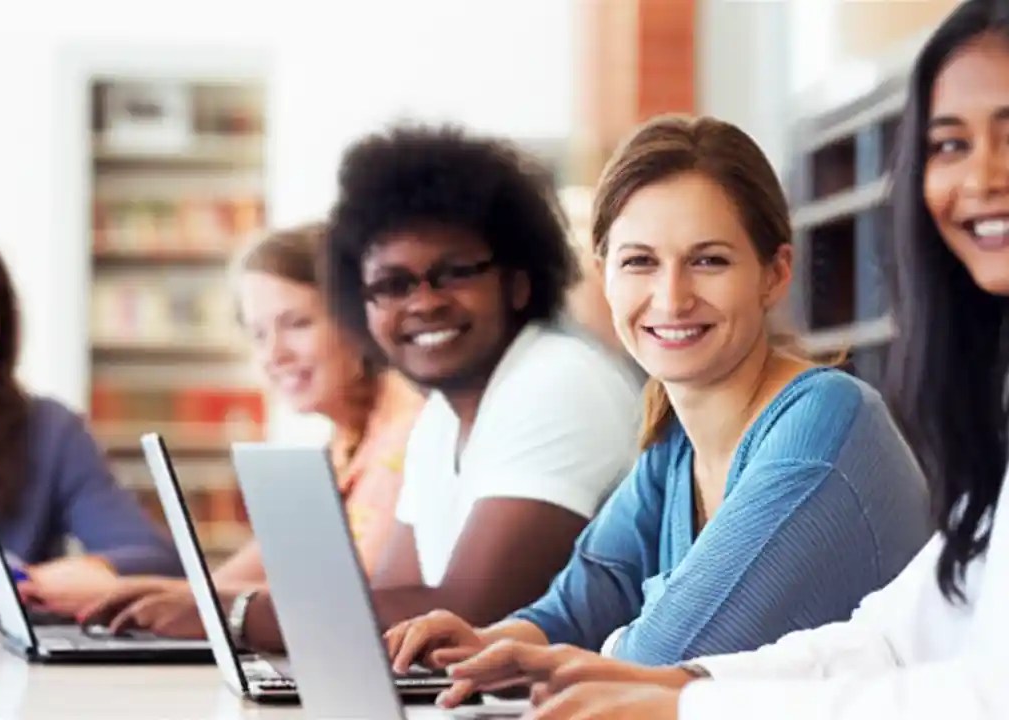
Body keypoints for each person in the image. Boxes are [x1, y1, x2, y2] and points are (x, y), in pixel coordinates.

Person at [433, 0, 1009, 717]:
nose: (981, 180)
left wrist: (681, 701)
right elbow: (900, 638)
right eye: (950, 144)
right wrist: (683, 688)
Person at [383, 115, 931, 700]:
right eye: (640, 262)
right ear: (604, 276)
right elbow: (572, 610)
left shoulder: (823, 427)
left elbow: (666, 661)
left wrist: (544, 657)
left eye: (708, 261)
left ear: (774, 274)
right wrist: (486, 645)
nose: (671, 297)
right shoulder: (673, 448)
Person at [200, 125, 643, 654]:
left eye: (453, 274)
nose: (424, 303)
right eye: (392, 285)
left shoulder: (557, 380)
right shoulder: (441, 415)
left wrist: (229, 612)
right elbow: (390, 598)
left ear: (519, 282)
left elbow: (468, 612)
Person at [78, 223, 424, 635]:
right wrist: (125, 593)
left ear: (357, 318)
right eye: (258, 333)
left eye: (296, 323)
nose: (273, 354)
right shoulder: (346, 440)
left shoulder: (409, 432)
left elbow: (355, 600)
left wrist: (187, 600)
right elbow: (239, 580)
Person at [0, 212, 182, 616]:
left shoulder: (49, 430)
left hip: (14, 671)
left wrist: (34, 581)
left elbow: (156, 557)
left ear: (0, 325)